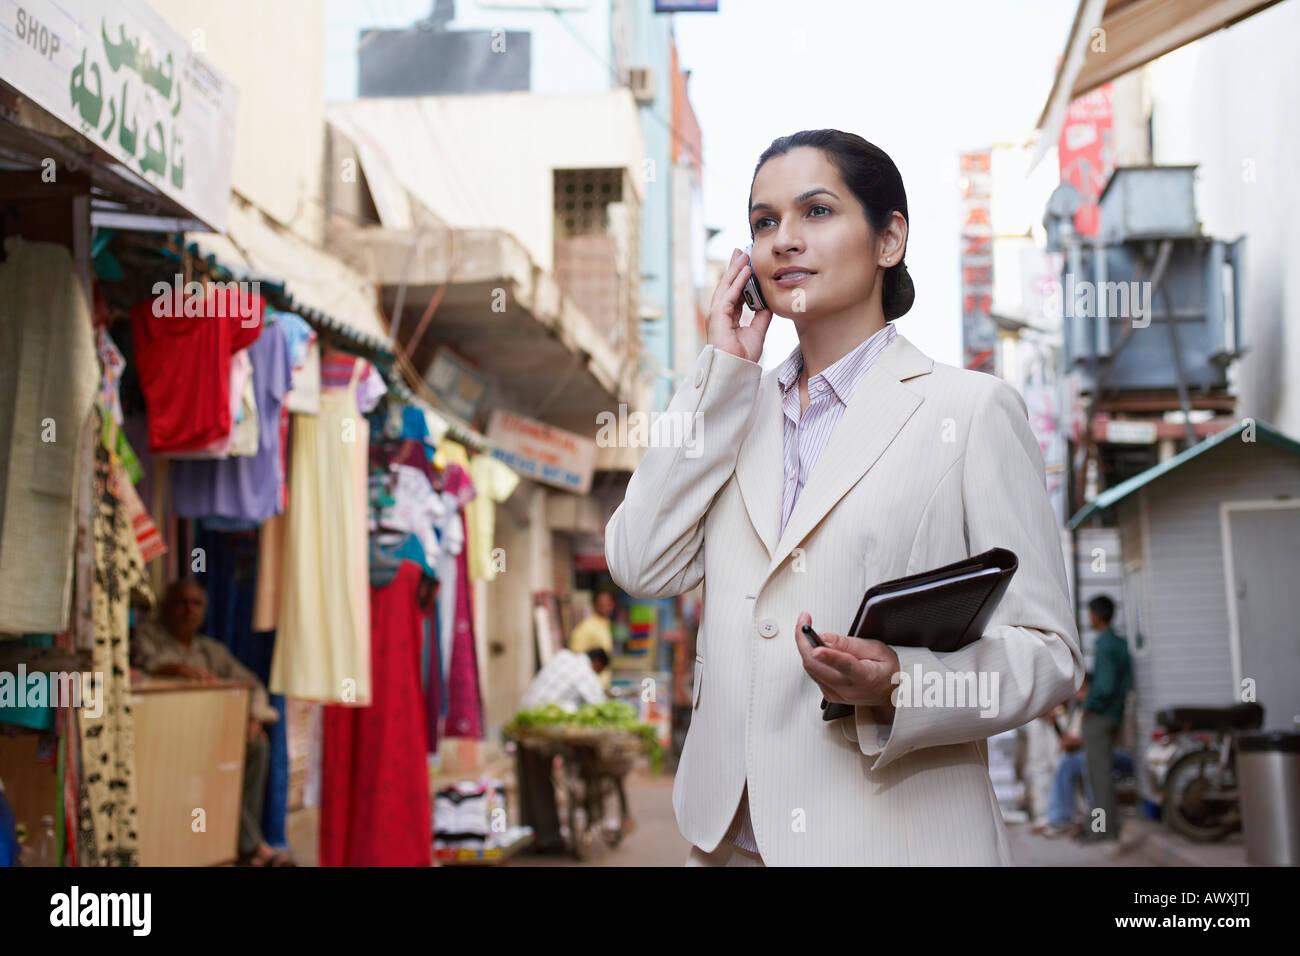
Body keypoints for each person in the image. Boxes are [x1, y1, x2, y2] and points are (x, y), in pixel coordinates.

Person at [605, 129, 1082, 866]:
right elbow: (641, 565)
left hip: (894, 841)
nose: (783, 240)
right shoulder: (732, 410)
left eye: (816, 212)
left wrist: (902, 682)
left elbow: (1049, 657)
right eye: (764, 222)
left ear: (889, 237)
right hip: (730, 842)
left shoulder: (971, 412)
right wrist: (718, 375)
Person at [130, 579, 294, 867]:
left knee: (257, 746)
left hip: (209, 735)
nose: (189, 610)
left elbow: (252, 685)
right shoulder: (147, 637)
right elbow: (145, 663)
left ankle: (244, 843)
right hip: (166, 738)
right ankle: (255, 847)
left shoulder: (211, 651)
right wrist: (177, 670)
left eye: (196, 604)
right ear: (167, 607)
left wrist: (254, 716)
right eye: (182, 602)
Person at [515, 648, 610, 853]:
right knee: (543, 778)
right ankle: (549, 840)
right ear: (597, 664)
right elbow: (600, 705)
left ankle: (531, 835)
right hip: (544, 730)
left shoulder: (562, 656)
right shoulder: (586, 673)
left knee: (531, 782)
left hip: (522, 722)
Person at [1080, 594, 1132, 843]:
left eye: (1090, 612)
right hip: (1115, 716)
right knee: (1104, 774)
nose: (1088, 617)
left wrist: (1088, 705)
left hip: (1100, 717)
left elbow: (1105, 686)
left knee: (1098, 776)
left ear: (1098, 616)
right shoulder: (1120, 643)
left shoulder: (1105, 644)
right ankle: (1108, 826)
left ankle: (1102, 830)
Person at [1040, 673, 1094, 837]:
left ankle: (1098, 826)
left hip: (1093, 752)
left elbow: (1082, 738)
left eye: (1082, 689)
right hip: (1078, 753)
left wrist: (1069, 742)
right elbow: (1067, 739)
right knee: (1065, 765)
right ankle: (1059, 819)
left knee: (1091, 778)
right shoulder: (1074, 709)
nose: (1077, 693)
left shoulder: (1090, 706)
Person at [569, 588, 617, 690]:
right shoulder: (587, 627)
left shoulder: (605, 625)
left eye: (608, 604)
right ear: (595, 605)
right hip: (590, 686)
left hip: (602, 684)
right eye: (602, 604)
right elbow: (576, 656)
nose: (606, 607)